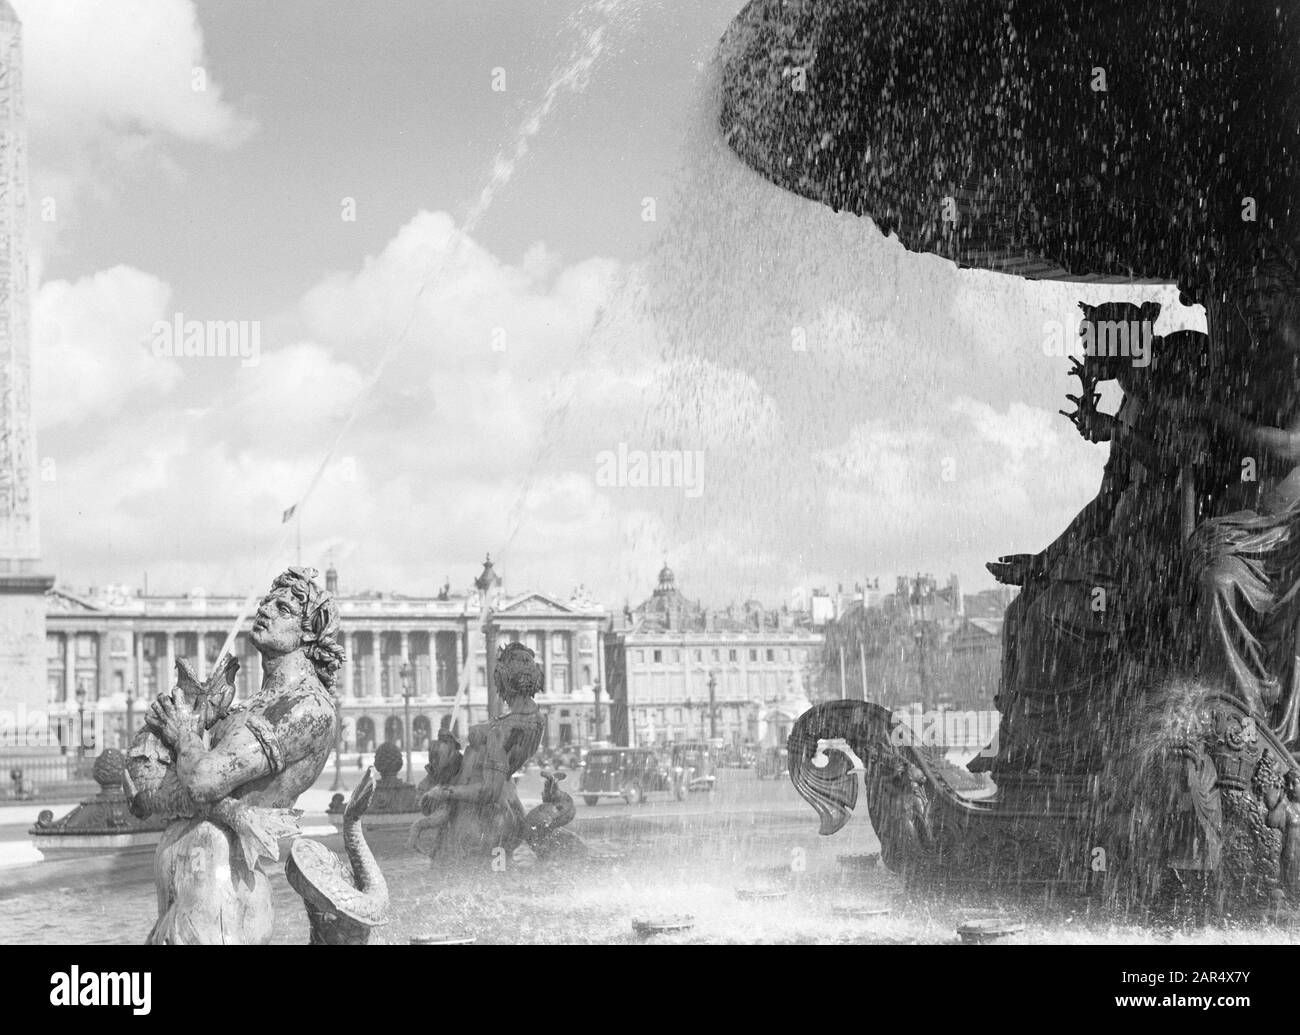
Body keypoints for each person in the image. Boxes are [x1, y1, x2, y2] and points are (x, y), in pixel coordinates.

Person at [127, 567, 344, 944]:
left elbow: (203, 779)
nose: (266, 610)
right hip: (194, 883)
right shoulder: (255, 704)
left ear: (308, 633)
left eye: (284, 609)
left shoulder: (306, 707)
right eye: (266, 602)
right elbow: (147, 790)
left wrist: (182, 734)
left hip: (222, 890)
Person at [412, 642, 546, 859]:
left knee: (462, 883)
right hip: (501, 813)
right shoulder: (532, 718)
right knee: (494, 883)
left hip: (480, 823)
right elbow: (492, 770)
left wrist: (444, 791)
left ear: (502, 678)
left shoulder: (504, 730)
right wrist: (450, 760)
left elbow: (488, 791)